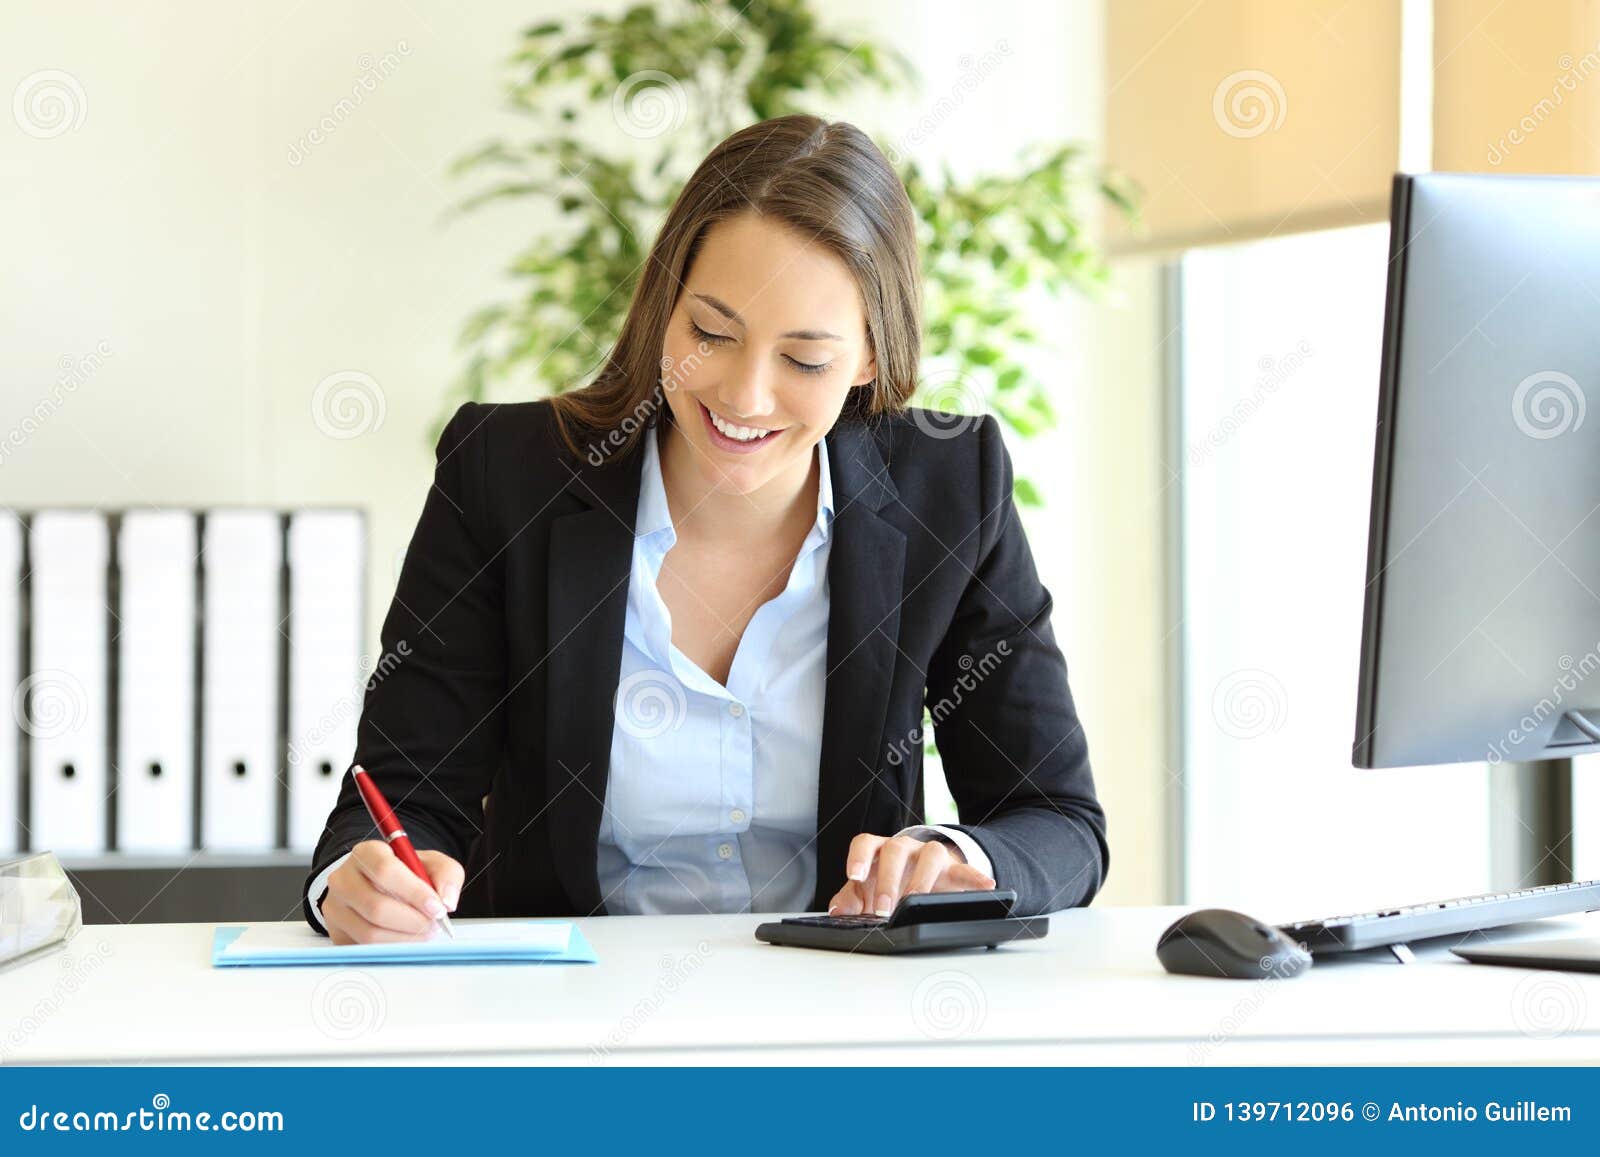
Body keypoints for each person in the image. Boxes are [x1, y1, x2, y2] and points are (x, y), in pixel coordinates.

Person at [302, 114, 1108, 943]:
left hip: (841, 1017)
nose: (744, 397)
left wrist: (956, 856)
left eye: (804, 359)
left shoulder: (951, 486)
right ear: (664, 307)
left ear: (871, 356)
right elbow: (405, 795)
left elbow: (1054, 817)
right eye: (712, 333)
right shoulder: (506, 476)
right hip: (563, 1026)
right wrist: (360, 882)